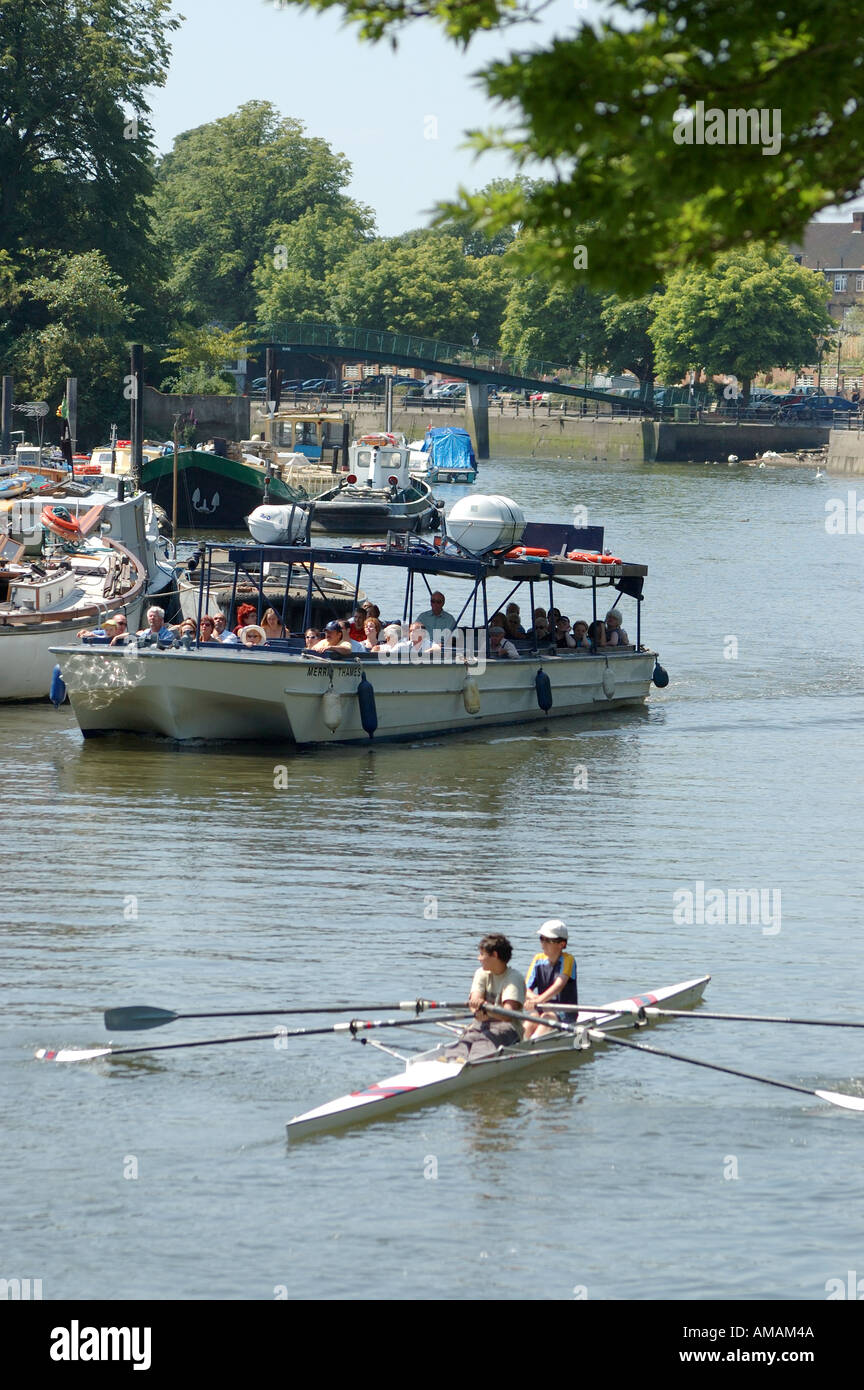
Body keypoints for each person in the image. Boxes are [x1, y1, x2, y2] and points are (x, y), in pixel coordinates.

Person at [446, 934, 526, 1060]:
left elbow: (507, 1014)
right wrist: (477, 1010)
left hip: (508, 1026)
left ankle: (474, 1063)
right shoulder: (481, 973)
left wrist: (486, 1011)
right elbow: (475, 1002)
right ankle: (452, 1059)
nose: (479, 958)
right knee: (468, 1037)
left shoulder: (514, 978)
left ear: (494, 955)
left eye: (482, 954)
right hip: (482, 1021)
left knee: (485, 1039)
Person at [522, 921, 578, 1041]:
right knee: (530, 1021)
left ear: (562, 944)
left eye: (549, 940)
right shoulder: (538, 960)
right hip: (542, 1008)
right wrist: (535, 1000)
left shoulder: (568, 960)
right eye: (542, 939)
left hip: (565, 1012)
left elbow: (558, 985)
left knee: (547, 1017)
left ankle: (533, 1045)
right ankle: (520, 1043)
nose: (543, 944)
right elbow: (525, 989)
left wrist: (538, 1000)